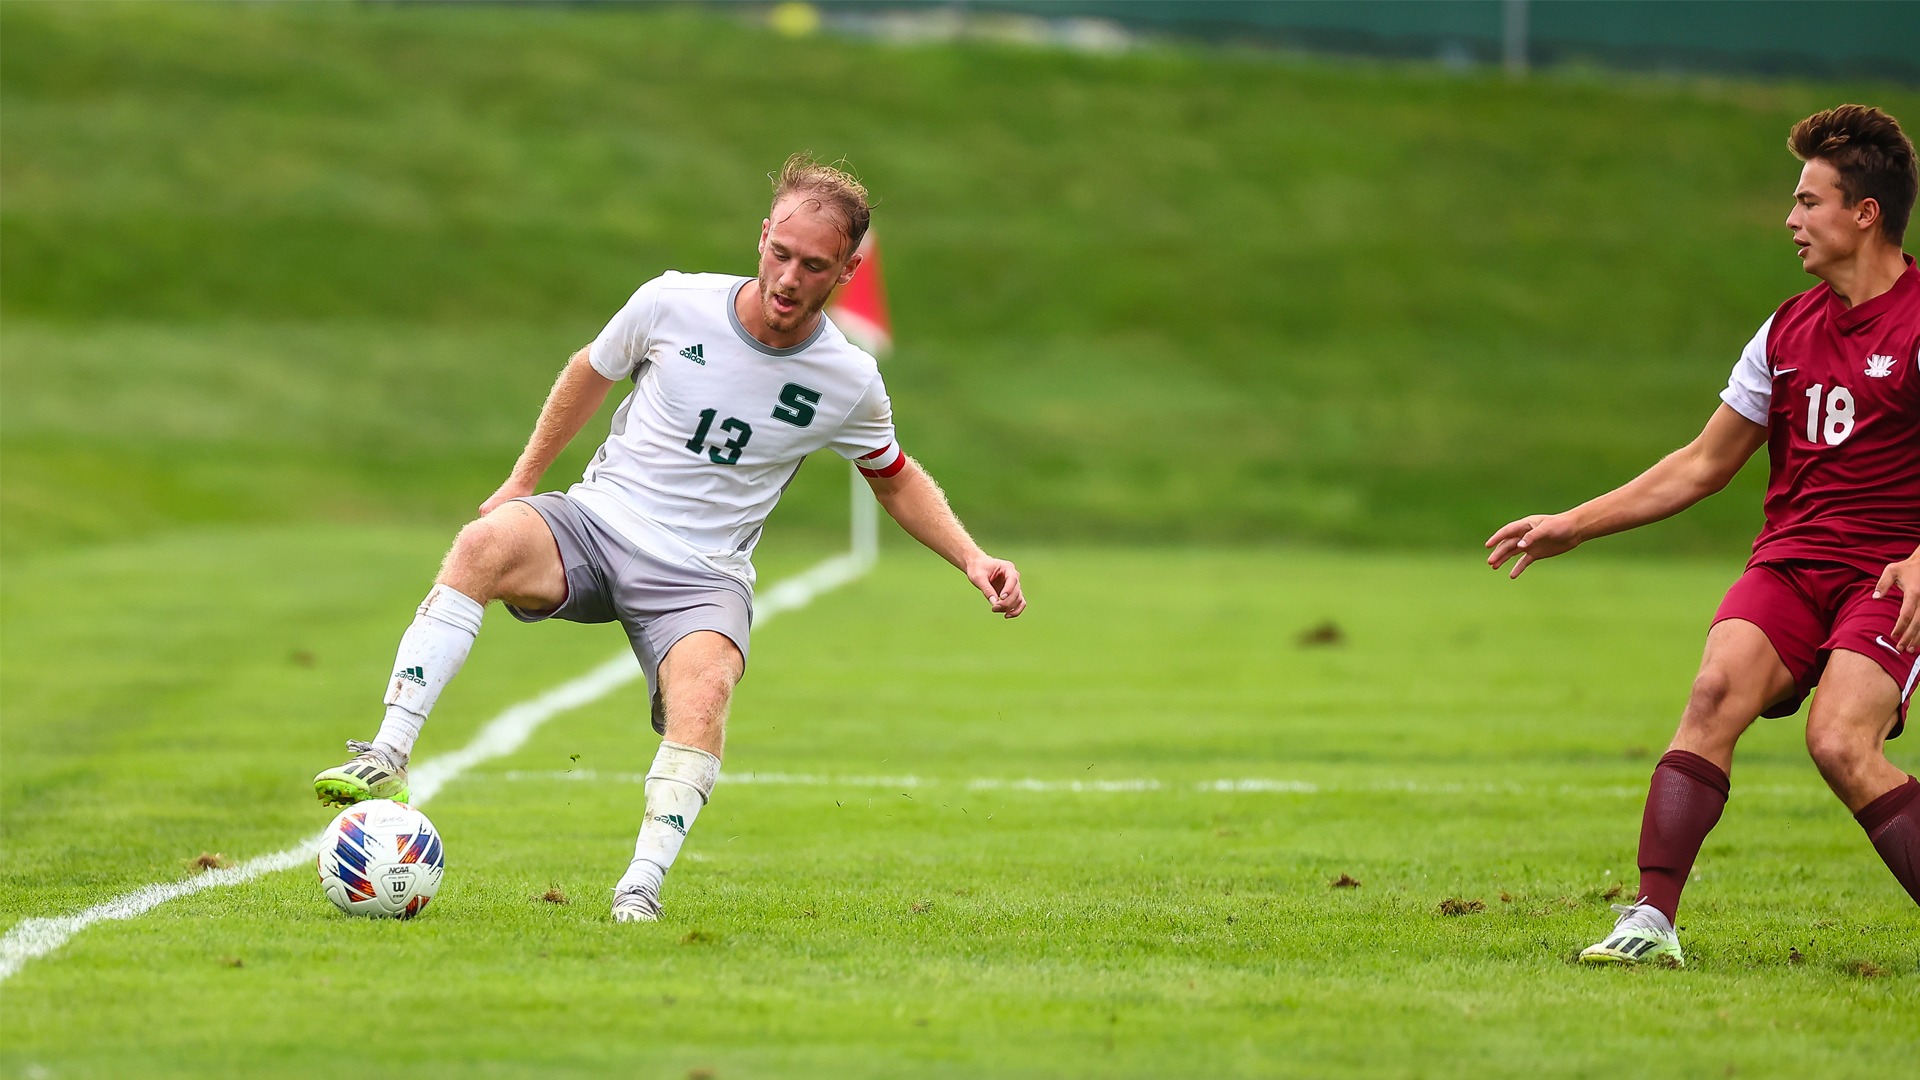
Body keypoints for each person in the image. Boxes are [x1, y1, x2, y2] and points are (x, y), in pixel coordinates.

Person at [313, 154, 1027, 922]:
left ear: (847, 270)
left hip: (701, 576)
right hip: (598, 521)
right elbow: (589, 370)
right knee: (479, 546)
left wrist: (972, 556)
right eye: (779, 254)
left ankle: (640, 886)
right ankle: (387, 752)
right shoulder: (671, 303)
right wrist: (524, 481)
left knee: (707, 690)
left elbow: (894, 475)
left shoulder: (846, 379)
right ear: (761, 238)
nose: (789, 278)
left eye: (813, 265)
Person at [1486, 104, 1920, 966]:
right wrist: (1573, 524)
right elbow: (1701, 463)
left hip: (1889, 581)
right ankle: (1650, 920)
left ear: (1864, 213)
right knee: (1713, 693)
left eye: (1808, 201)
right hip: (1793, 566)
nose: (1790, 220)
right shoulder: (1787, 329)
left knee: (1838, 743)